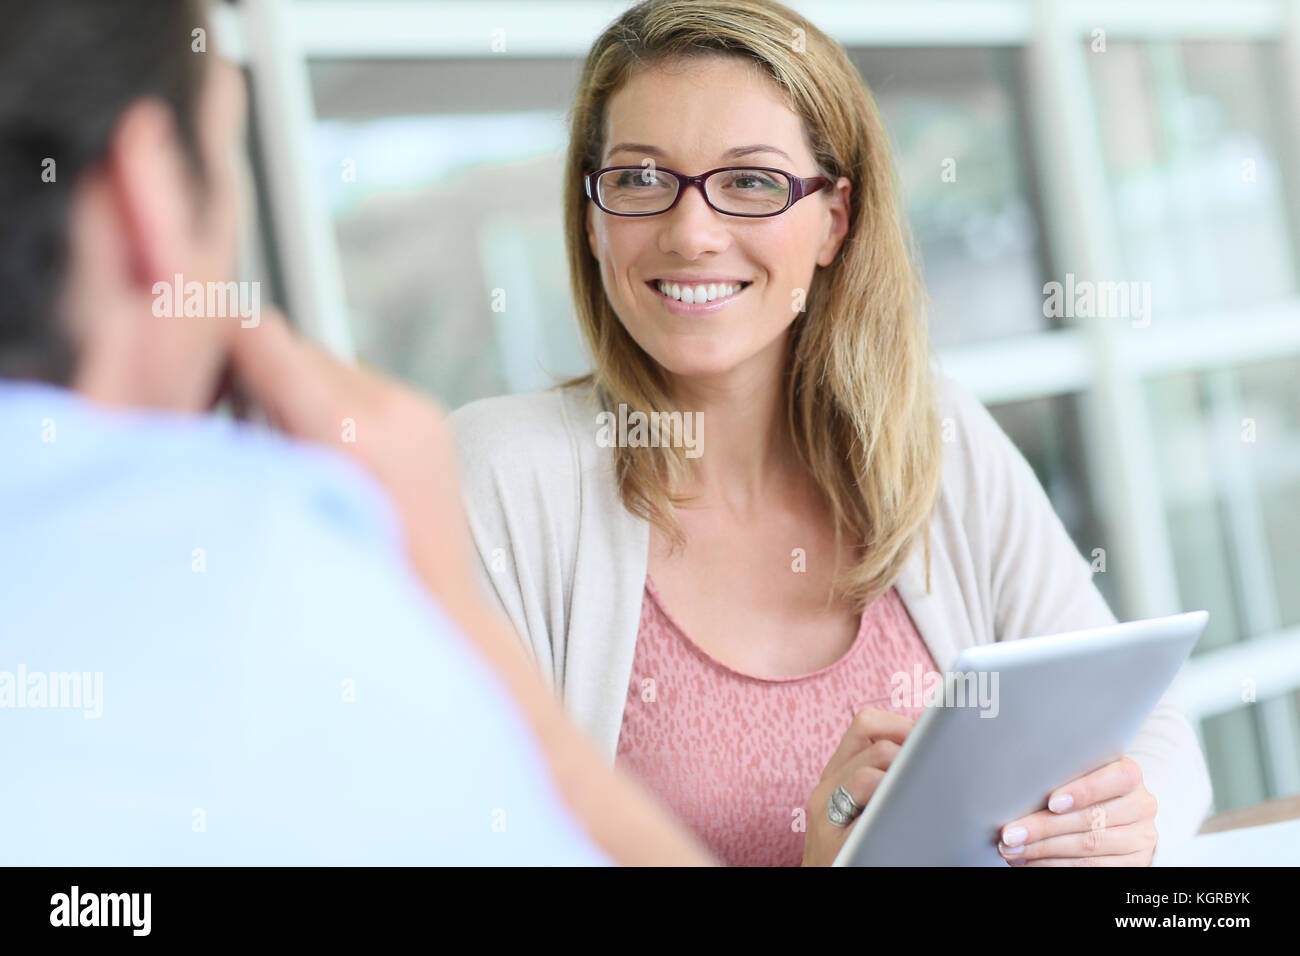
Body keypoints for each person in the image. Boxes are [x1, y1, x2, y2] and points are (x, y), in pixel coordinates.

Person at [450, 0, 1213, 866]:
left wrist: (1108, 821)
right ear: (592, 218)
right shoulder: (499, 482)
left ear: (835, 219)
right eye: (638, 179)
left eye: (751, 182)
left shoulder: (934, 433)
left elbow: (1156, 731)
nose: (691, 232)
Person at [0, 0, 712, 866]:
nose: (694, 233)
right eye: (229, 151)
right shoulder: (278, 576)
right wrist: (441, 601)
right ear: (150, 189)